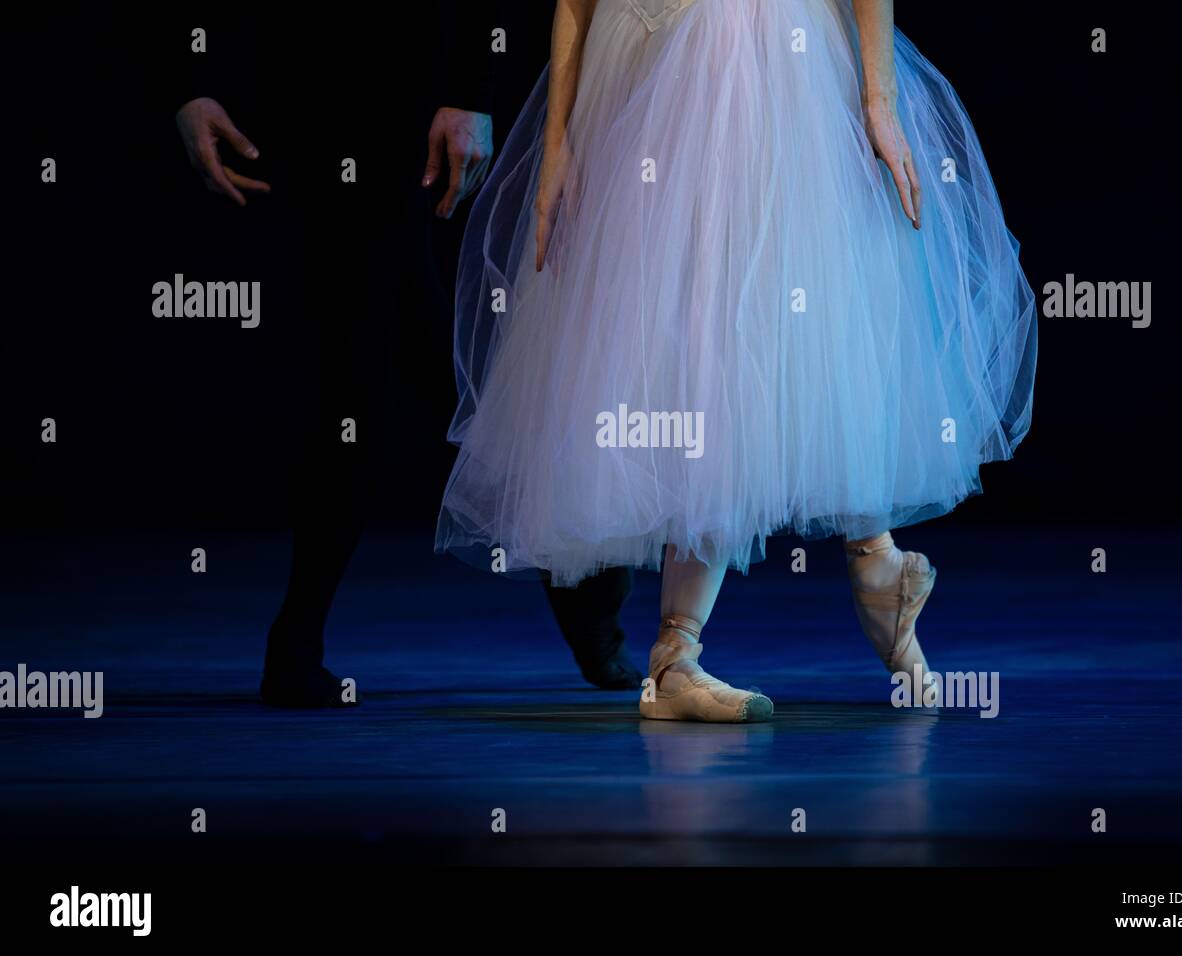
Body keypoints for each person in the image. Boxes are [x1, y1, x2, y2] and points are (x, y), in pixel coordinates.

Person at [436, 0, 1038, 721]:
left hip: (763, 49)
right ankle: (718, 635)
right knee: (695, 325)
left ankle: (848, 568)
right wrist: (559, 137)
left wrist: (878, 97)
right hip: (646, 59)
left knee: (789, 298)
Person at [168, 7, 642, 707]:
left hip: (392, 84)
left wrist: (468, 87)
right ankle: (576, 582)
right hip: (280, 84)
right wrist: (194, 81)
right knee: (404, 340)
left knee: (363, 360)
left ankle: (298, 640)